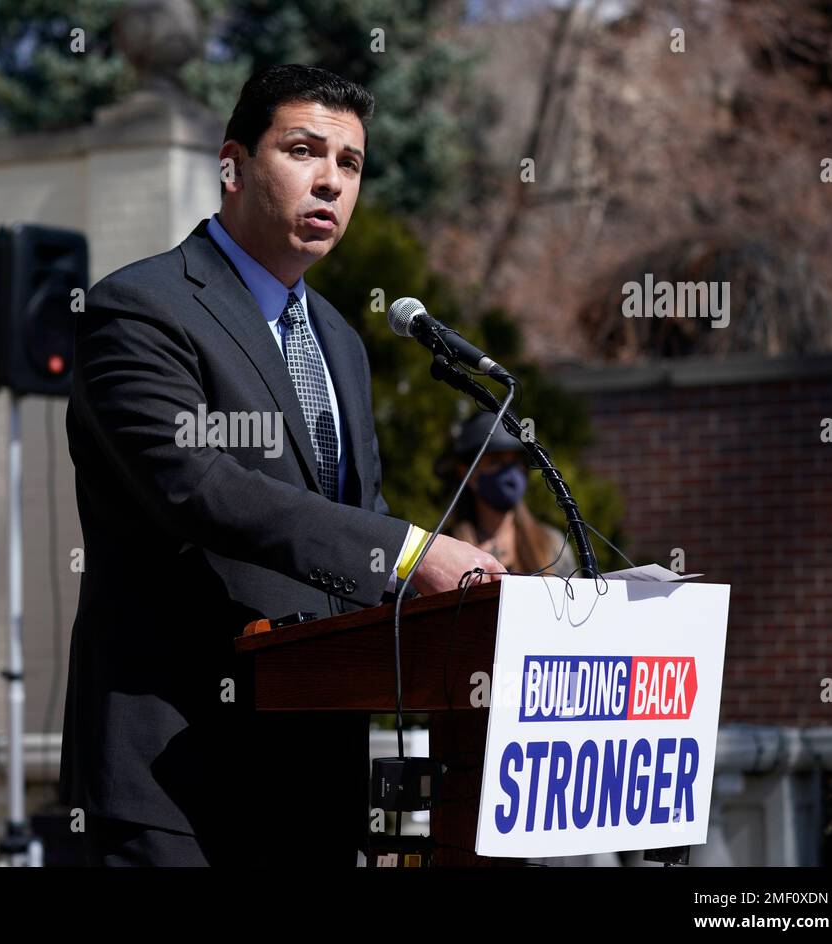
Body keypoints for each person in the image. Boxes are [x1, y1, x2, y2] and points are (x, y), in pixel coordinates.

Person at [60, 64, 506, 867]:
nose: (331, 182)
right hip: (177, 773)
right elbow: (199, 487)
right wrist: (412, 553)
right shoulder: (138, 309)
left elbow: (346, 534)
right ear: (232, 164)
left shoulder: (339, 338)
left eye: (350, 163)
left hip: (317, 777)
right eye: (304, 151)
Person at [437, 411, 577, 577]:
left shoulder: (552, 545)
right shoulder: (447, 550)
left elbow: (574, 602)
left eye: (517, 462)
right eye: (495, 462)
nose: (511, 474)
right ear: (467, 473)